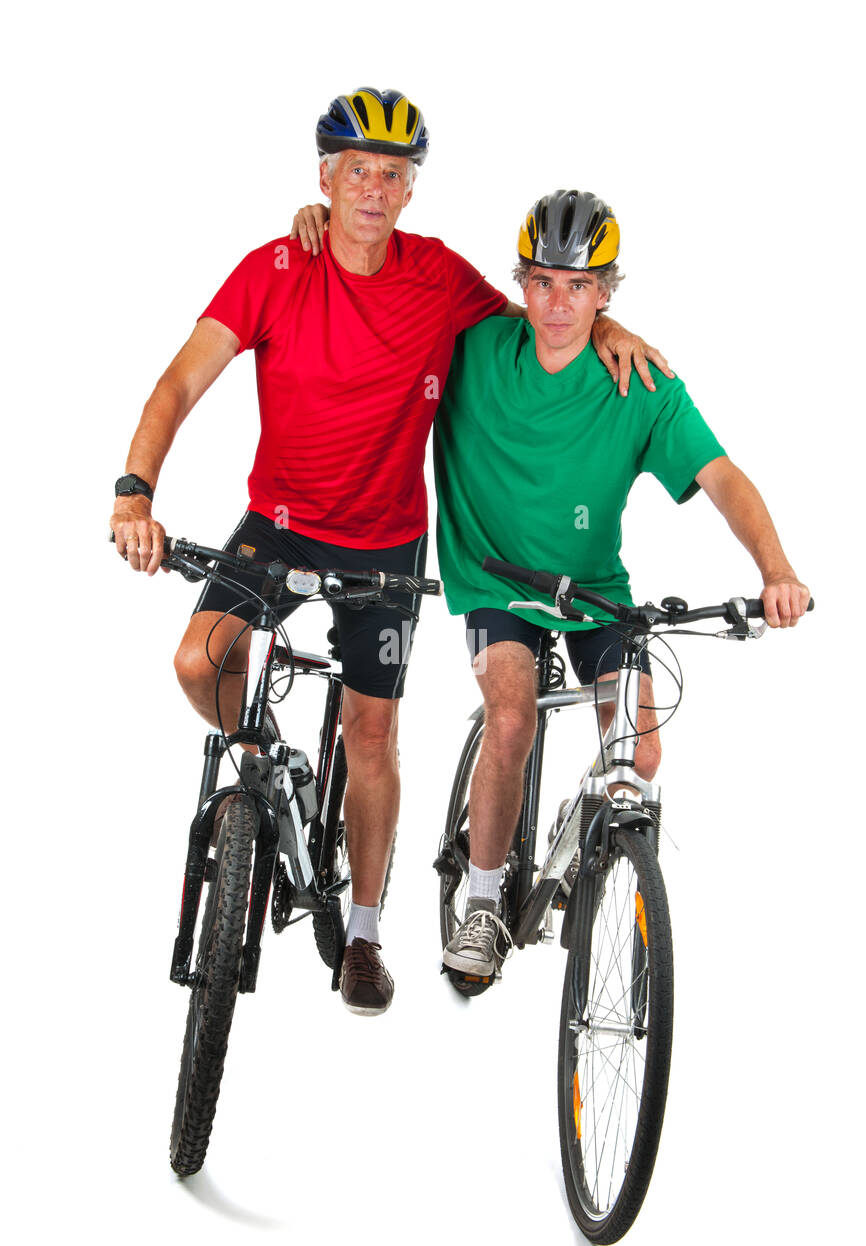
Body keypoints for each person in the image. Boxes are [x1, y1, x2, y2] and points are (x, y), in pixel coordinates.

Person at [109, 88, 663, 1017]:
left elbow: (539, 324)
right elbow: (180, 381)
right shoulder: (276, 267)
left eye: (393, 173)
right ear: (324, 176)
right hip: (278, 521)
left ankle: (362, 935)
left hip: (386, 536)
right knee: (198, 661)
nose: (374, 187)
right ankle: (267, 766)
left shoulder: (439, 278)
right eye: (356, 169)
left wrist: (602, 321)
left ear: (412, 189)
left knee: (371, 738)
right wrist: (136, 490)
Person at [432, 189, 810, 982]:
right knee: (510, 720)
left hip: (591, 588)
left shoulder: (638, 382)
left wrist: (774, 570)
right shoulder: (474, 348)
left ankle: (589, 828)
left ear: (608, 290)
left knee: (639, 748)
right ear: (521, 283)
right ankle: (483, 903)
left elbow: (722, 475)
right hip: (493, 579)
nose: (559, 303)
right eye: (542, 282)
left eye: (580, 286)